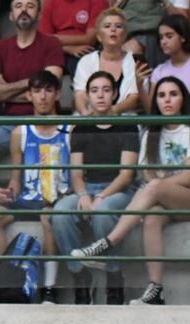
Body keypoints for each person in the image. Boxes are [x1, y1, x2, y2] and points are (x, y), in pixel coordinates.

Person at [72, 75, 190, 305]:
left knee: (155, 186)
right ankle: (155, 290)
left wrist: (160, 184)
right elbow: (147, 172)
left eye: (173, 94)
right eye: (161, 95)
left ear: (183, 98)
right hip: (164, 198)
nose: (167, 100)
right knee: (151, 218)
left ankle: (107, 243)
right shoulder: (151, 132)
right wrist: (159, 184)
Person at [52, 70, 139, 304]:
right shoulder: (81, 128)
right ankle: (80, 273)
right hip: (88, 186)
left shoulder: (127, 126)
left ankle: (114, 275)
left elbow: (127, 174)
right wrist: (82, 194)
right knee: (60, 213)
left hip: (119, 190)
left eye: (106, 90)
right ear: (87, 95)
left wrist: (101, 195)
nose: (100, 95)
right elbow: (76, 171)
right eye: (94, 90)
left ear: (115, 94)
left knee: (104, 211)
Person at [0, 73, 70, 297]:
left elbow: (76, 175)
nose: (43, 97)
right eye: (37, 91)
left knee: (49, 216)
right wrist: (8, 194)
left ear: (57, 94)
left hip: (59, 199)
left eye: (48, 91)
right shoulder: (20, 132)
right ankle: (2, 283)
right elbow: (16, 178)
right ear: (29, 95)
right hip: (27, 200)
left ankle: (49, 289)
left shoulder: (70, 129)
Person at [0, 0, 66, 157]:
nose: (24, 10)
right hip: (9, 123)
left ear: (39, 15)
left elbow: (50, 87)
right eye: (18, 6)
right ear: (12, 16)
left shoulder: (51, 43)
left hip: (45, 120)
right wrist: (33, 84)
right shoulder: (0, 47)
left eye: (30, 6)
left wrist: (4, 90)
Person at [74, 8, 144, 114]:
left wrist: (112, 112)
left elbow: (134, 97)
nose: (113, 29)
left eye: (118, 26)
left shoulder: (136, 61)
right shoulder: (86, 61)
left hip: (126, 121)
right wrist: (86, 115)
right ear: (98, 36)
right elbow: (80, 93)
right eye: (107, 26)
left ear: (125, 36)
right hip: (91, 118)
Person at [147, 15, 190, 110]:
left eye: (169, 36)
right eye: (161, 37)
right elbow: (152, 110)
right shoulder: (159, 70)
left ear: (183, 37)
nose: (164, 42)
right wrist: (140, 87)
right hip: (165, 124)